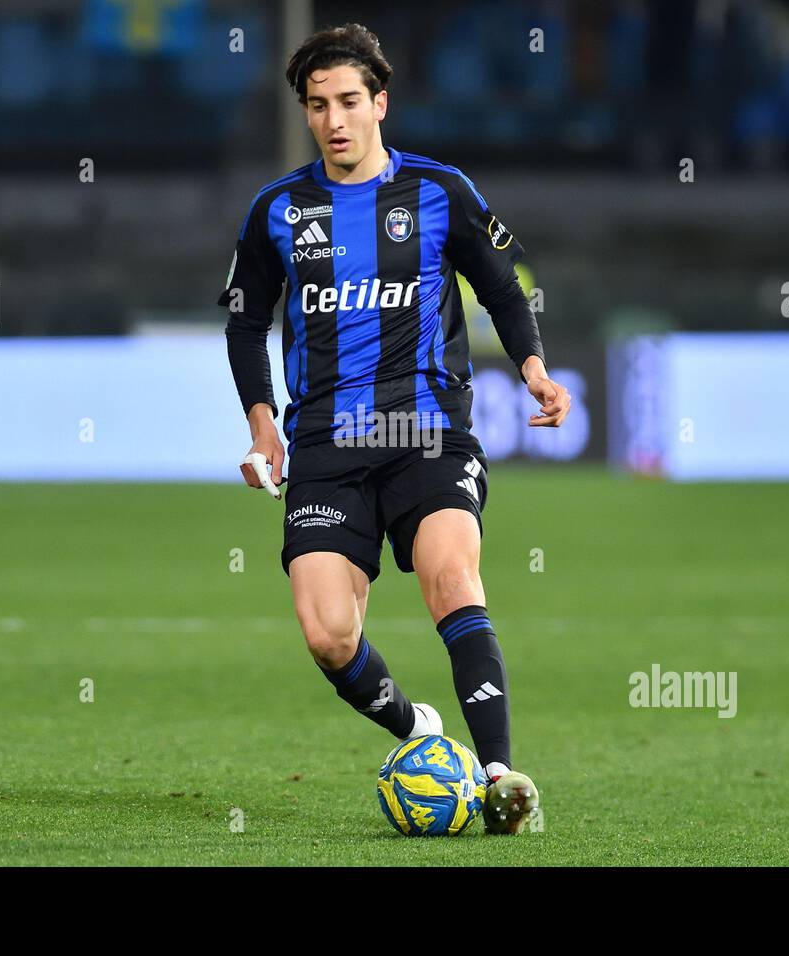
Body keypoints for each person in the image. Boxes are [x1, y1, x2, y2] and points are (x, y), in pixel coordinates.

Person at [218, 23, 571, 833]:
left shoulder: (441, 191)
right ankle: (418, 734)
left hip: (428, 435)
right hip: (322, 449)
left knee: (452, 576)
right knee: (328, 635)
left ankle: (499, 778)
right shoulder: (275, 210)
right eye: (317, 106)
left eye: (348, 101)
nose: (334, 119)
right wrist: (262, 424)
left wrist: (533, 369)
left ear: (380, 103)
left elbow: (502, 288)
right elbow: (245, 323)